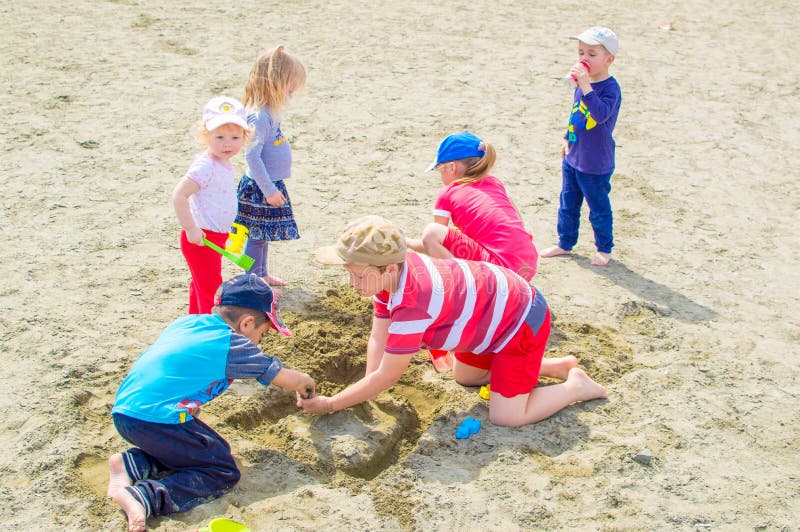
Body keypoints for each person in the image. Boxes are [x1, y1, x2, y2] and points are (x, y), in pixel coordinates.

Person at [298, 215, 607, 428]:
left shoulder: (413, 304)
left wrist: (332, 403)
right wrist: (368, 385)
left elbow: (388, 375)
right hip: (488, 321)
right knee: (466, 377)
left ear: (388, 269)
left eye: (358, 275)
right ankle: (553, 366)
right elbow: (378, 337)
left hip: (521, 322)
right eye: (350, 274)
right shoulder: (388, 277)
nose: (352, 283)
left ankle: (575, 387)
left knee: (507, 417)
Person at [106, 274, 314, 532]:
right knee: (221, 469)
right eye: (261, 334)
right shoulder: (231, 344)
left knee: (212, 448)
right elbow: (279, 376)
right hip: (156, 420)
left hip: (129, 411)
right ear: (247, 323)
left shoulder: (189, 322)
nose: (259, 342)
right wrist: (305, 383)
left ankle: (131, 464)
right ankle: (145, 497)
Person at [406, 131, 539, 371]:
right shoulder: (495, 183)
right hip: (527, 264)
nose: (440, 176)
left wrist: (404, 241)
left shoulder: (447, 193)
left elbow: (432, 243)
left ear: (452, 168)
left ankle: (458, 296)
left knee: (432, 232)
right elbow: (516, 221)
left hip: (501, 274)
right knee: (448, 237)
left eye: (439, 169)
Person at [540, 26, 622, 267]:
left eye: (592, 54)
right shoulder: (581, 84)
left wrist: (586, 86)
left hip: (595, 162)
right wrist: (567, 137)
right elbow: (577, 113)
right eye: (581, 52)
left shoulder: (610, 89)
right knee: (567, 204)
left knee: (598, 208)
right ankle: (565, 243)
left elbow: (599, 115)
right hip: (573, 156)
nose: (584, 58)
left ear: (609, 60)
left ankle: (604, 248)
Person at [234, 45, 307, 287]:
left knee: (262, 235)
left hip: (269, 183)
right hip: (260, 187)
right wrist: (269, 190)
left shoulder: (270, 112)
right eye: (289, 90)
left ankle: (261, 273)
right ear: (274, 84)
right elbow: (252, 157)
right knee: (255, 236)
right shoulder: (260, 117)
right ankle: (252, 278)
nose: (291, 95)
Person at [172, 96, 252, 314]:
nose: (228, 144)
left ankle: (195, 320)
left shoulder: (222, 161)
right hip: (202, 239)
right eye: (220, 137)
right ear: (206, 135)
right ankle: (211, 328)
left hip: (215, 236)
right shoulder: (205, 166)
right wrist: (191, 228)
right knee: (211, 289)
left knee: (201, 284)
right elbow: (179, 195)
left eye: (235, 137)